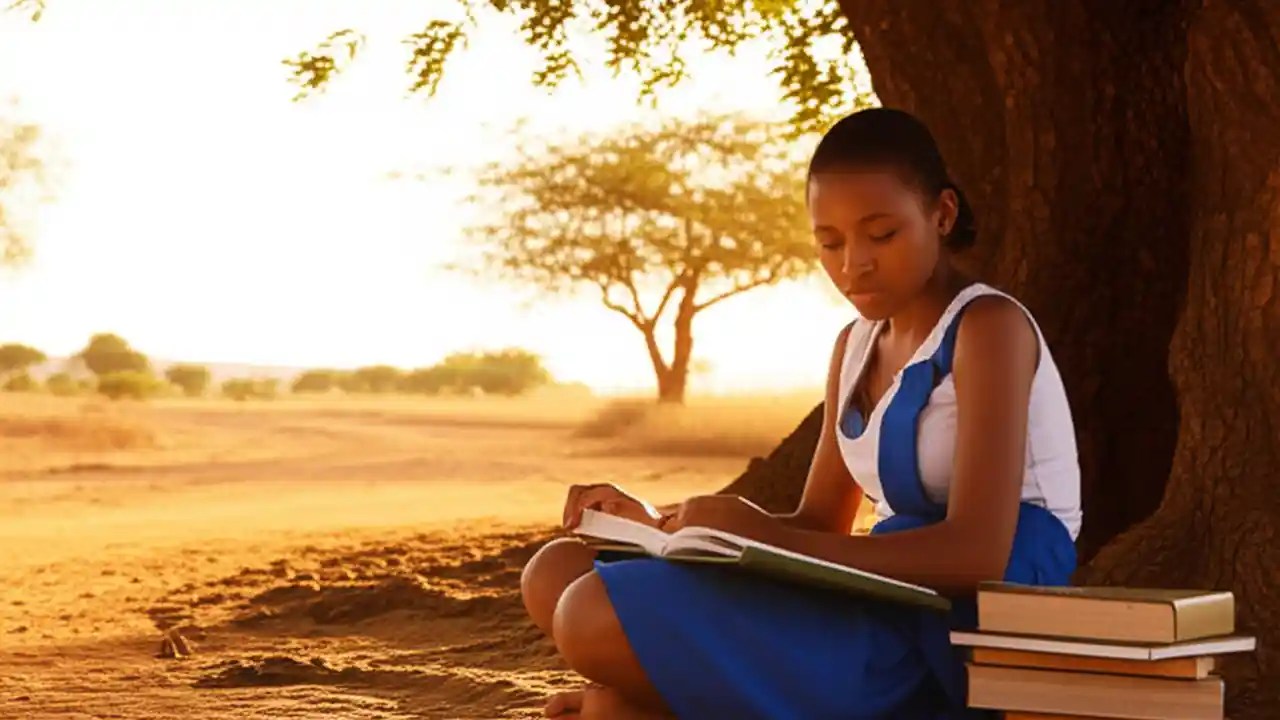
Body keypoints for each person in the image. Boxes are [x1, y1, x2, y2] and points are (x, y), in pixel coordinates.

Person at [519, 107, 1083, 720]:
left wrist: (771, 537)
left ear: (941, 214)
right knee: (558, 570)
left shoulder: (988, 327)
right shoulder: (855, 345)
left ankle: (654, 705)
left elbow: (977, 554)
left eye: (882, 234)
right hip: (883, 584)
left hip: (968, 609)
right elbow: (818, 522)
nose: (853, 264)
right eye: (830, 242)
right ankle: (654, 702)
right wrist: (659, 527)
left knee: (591, 612)